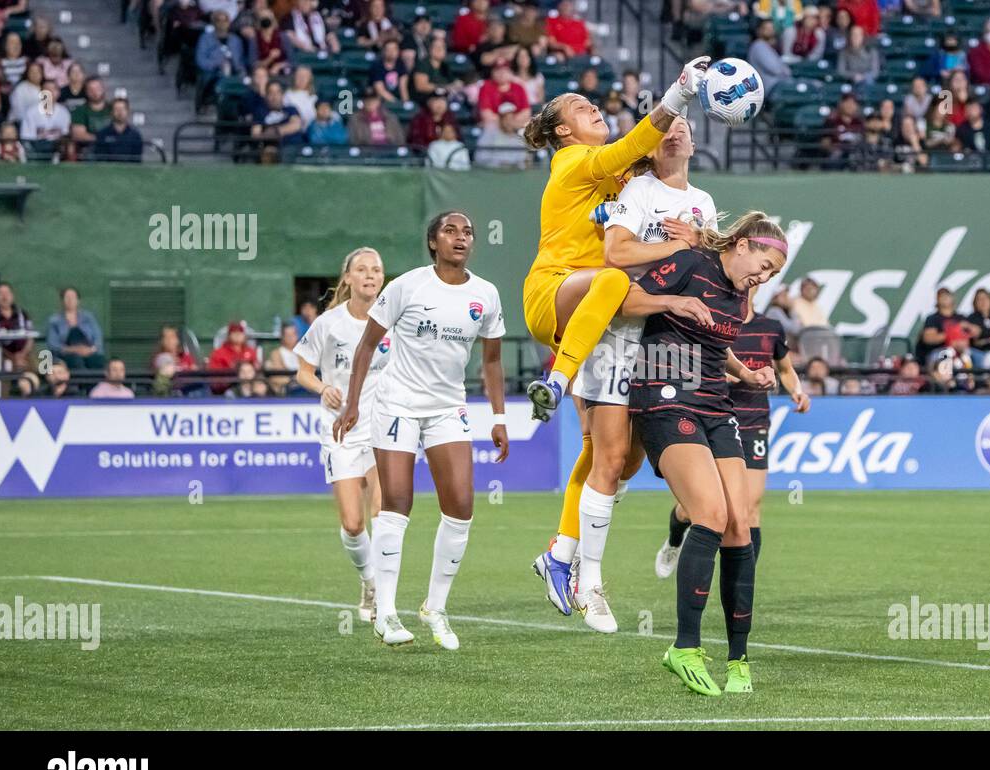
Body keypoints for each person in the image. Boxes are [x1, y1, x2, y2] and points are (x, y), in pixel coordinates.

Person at [534, 116, 718, 631]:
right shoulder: (635, 188)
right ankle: (589, 583)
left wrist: (705, 251)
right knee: (609, 455)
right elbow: (617, 254)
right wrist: (681, 247)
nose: (674, 132)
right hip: (619, 331)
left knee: (629, 462)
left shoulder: (703, 204)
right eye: (665, 128)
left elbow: (709, 273)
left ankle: (562, 552)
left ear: (696, 141)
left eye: (683, 126)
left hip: (668, 340)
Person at [334, 212, 508, 650]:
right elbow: (367, 346)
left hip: (448, 407)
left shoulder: (485, 294)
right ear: (433, 242)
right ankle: (386, 613)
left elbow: (491, 361)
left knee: (462, 507)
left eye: (467, 231)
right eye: (450, 231)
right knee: (396, 503)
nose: (461, 237)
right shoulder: (407, 286)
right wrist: (353, 402)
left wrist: (499, 417)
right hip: (397, 404)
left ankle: (435, 608)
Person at [627, 213, 785, 696]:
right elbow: (624, 299)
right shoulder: (688, 261)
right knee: (711, 516)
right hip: (665, 394)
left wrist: (747, 373)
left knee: (742, 524)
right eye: (764, 263)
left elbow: (717, 344)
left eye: (773, 274)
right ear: (739, 245)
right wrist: (672, 299)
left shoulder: (739, 294)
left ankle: (738, 658)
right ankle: (685, 647)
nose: (764, 276)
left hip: (716, 405)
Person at [519, 56, 712, 422]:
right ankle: (556, 381)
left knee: (602, 452)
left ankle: (582, 462)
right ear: (562, 132)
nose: (592, 107)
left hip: (597, 310)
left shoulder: (627, 179)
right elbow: (632, 146)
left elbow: (650, 156)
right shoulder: (572, 160)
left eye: (592, 103)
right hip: (555, 289)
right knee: (614, 277)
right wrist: (679, 93)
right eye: (579, 107)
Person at [657, 286, 809, 581]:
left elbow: (785, 368)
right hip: (711, 419)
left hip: (753, 422)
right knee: (696, 509)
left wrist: (798, 391)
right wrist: (729, 373)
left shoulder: (771, 328)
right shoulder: (709, 321)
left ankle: (741, 583)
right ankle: (676, 538)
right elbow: (685, 368)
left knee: (749, 508)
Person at [294, 248, 392, 624]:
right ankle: (368, 580)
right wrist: (322, 388)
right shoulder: (329, 324)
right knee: (353, 523)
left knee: (383, 512)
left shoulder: (393, 321)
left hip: (384, 427)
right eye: (362, 269)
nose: (370, 275)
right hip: (340, 429)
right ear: (348, 278)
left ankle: (384, 593)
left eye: (376, 270)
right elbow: (303, 370)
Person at [46, 286, 105, 370]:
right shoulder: (54, 321)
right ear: (62, 301)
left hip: (89, 352)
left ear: (78, 300)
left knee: (98, 361)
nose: (70, 300)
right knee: (76, 361)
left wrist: (90, 350)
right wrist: (73, 350)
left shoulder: (89, 317)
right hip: (66, 355)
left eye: (73, 297)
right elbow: (53, 344)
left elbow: (98, 337)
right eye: (67, 297)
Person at [0, 282, 34, 373]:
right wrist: (12, 358)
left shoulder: (23, 314)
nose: (4, 297)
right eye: (1, 294)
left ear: (12, 296)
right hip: (2, 355)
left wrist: (22, 355)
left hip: (25, 354)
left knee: (44, 361)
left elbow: (30, 337)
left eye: (7, 293)